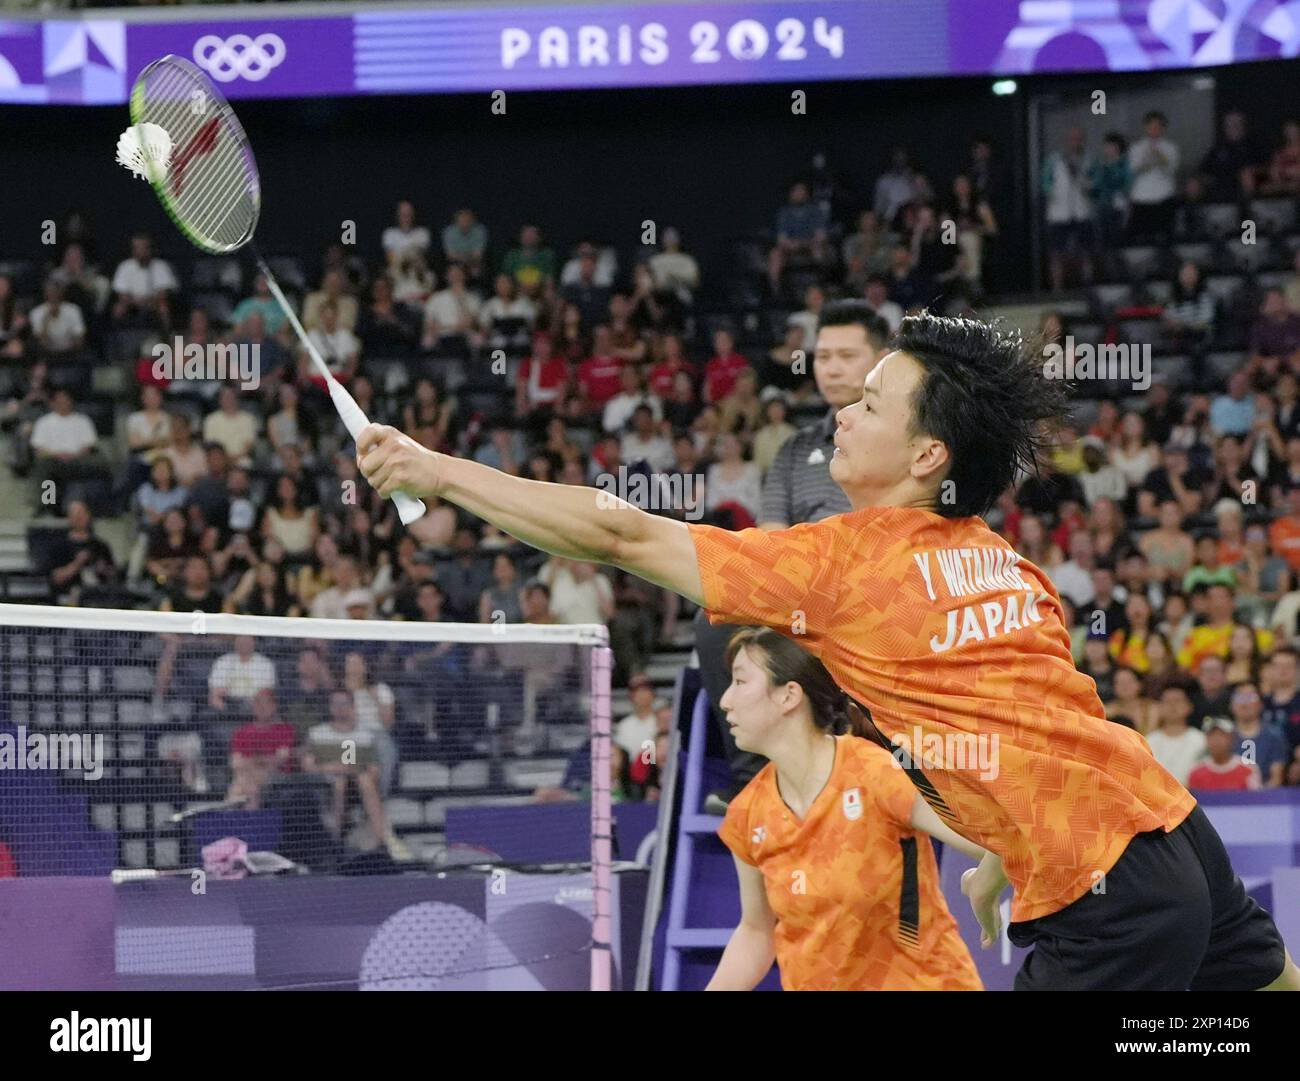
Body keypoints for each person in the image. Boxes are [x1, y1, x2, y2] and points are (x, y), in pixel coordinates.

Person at [357, 309, 1299, 991]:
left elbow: (620, 535)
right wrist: (997, 857)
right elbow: (1034, 729)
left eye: (872, 402)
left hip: (1104, 901)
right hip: (1173, 835)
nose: (842, 408)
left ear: (929, 454)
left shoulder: (838, 565)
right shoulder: (1002, 561)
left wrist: (440, 471)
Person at [707, 628, 983, 990]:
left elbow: (984, 840)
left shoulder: (874, 772)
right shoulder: (748, 812)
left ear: (789, 696)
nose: (726, 700)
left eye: (740, 682)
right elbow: (756, 930)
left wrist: (990, 877)